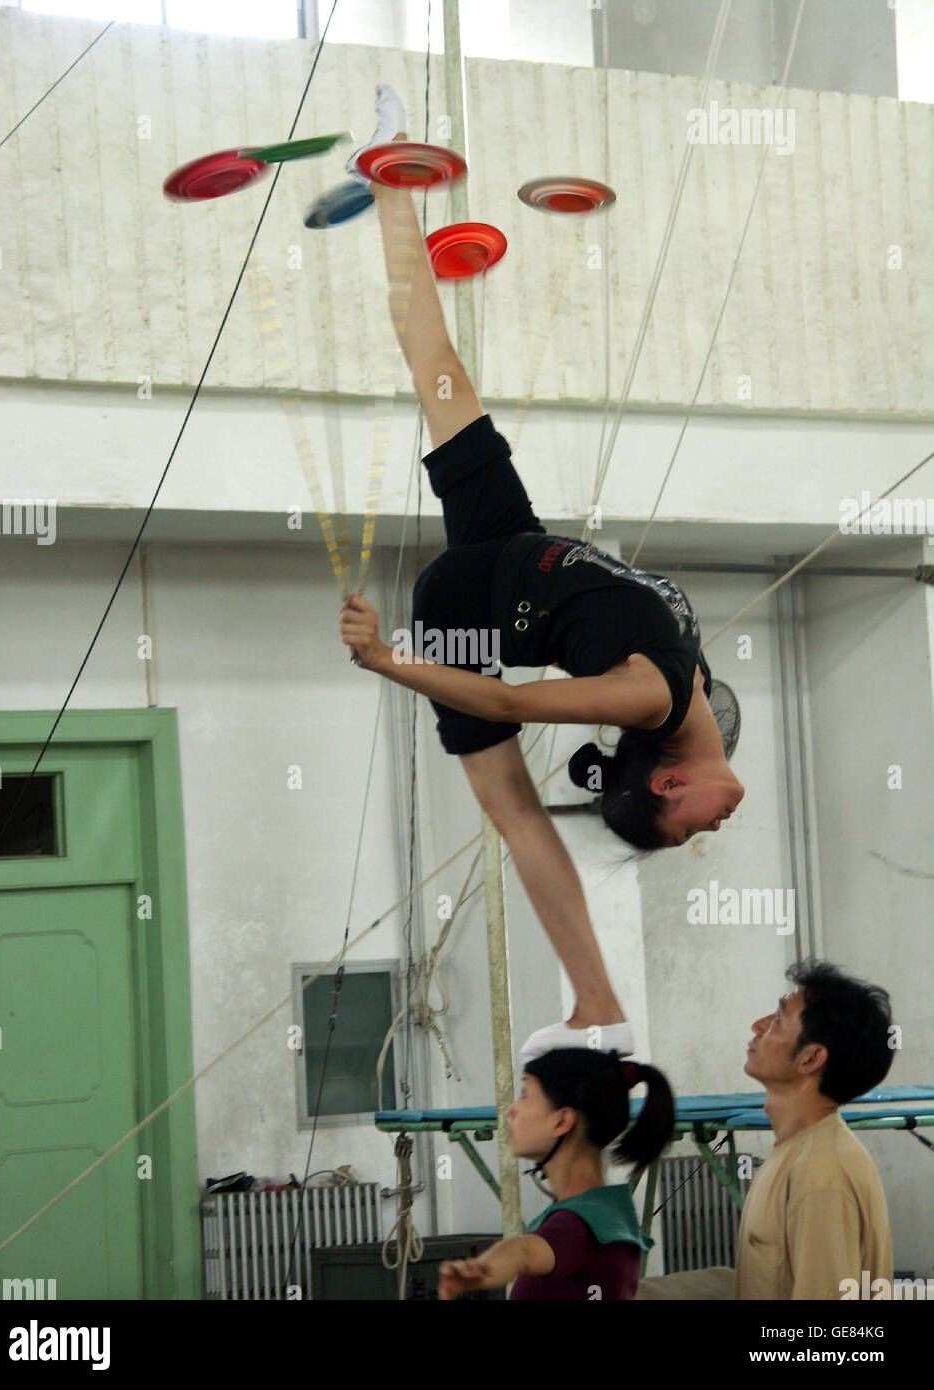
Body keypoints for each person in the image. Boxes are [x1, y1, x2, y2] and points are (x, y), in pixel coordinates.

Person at [338, 86, 743, 1064]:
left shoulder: (649, 697)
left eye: (680, 827)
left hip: (465, 609)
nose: (706, 833)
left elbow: (514, 710)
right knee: (434, 362)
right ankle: (392, 175)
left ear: (672, 778)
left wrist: (392, 662)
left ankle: (597, 1000)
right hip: (512, 541)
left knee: (513, 806)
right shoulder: (709, 708)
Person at [637, 959, 895, 1301]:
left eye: (777, 1019)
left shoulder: (821, 1174)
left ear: (810, 1058)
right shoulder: (796, 1150)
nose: (757, 1026)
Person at [438, 1049, 675, 1300]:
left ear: (562, 1122)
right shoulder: (606, 1214)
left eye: (525, 1094)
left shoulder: (579, 1225)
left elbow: (522, 1252)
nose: (511, 1110)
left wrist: (482, 1269)